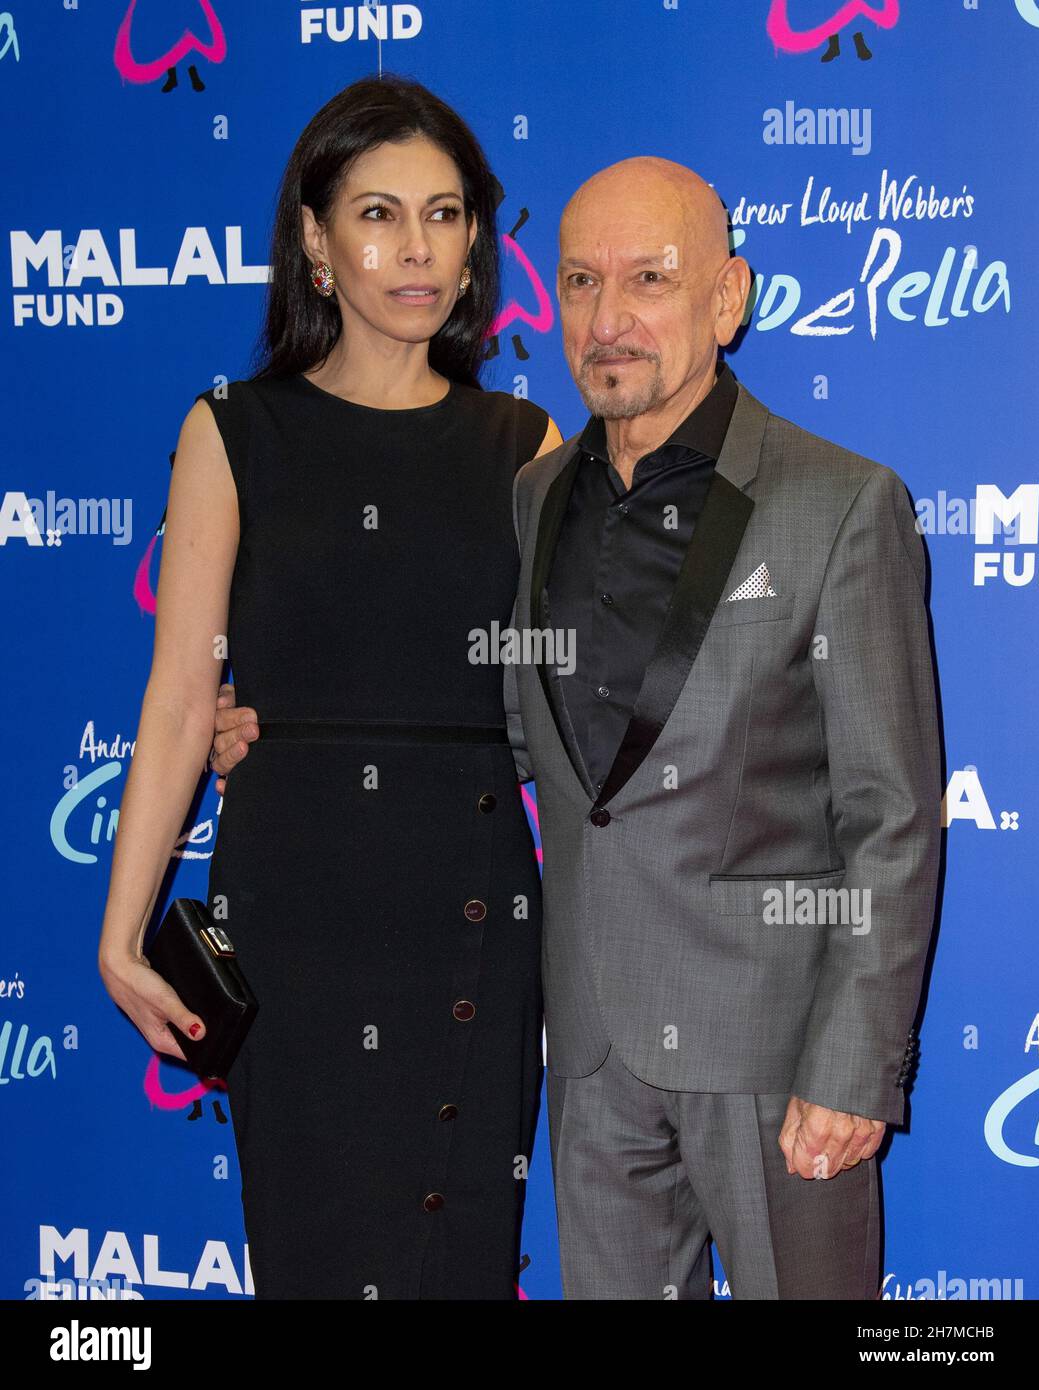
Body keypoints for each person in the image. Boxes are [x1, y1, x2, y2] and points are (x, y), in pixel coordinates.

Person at [215, 154, 942, 1301]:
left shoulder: (841, 504)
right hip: (592, 1059)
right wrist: (281, 724)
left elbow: (893, 814)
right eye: (580, 283)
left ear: (727, 298)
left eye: (650, 279)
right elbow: (498, 725)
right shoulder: (535, 494)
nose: (609, 320)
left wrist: (854, 1065)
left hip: (776, 1063)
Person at [97, 74, 562, 1301]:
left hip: (469, 908)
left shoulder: (527, 446)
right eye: (377, 213)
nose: (417, 247)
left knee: (458, 1258)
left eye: (446, 213)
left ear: (475, 242)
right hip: (297, 909)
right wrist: (121, 927)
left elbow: (578, 701)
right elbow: (179, 699)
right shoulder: (233, 431)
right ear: (313, 238)